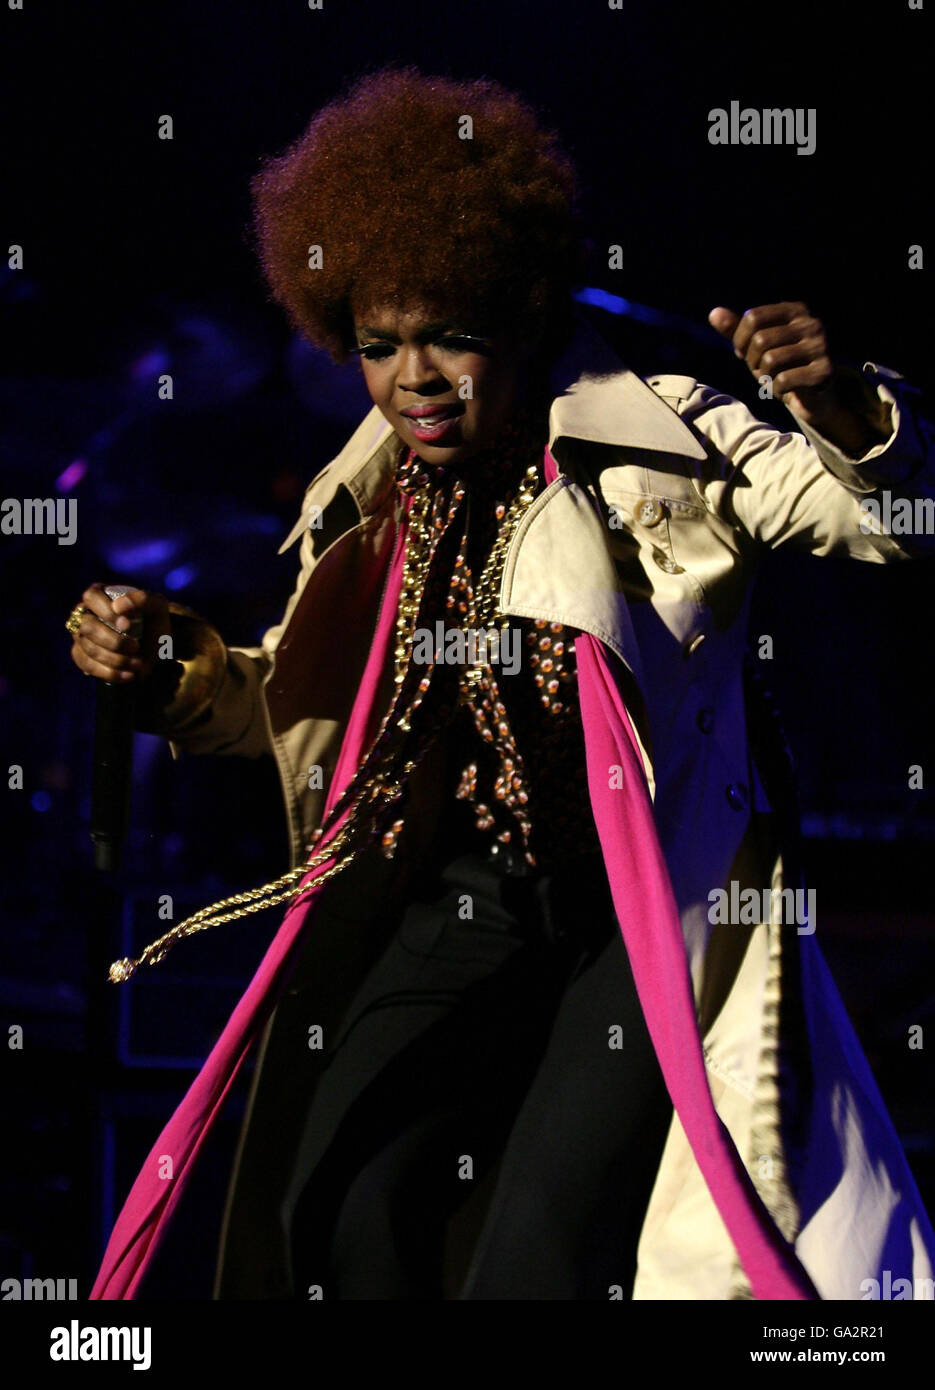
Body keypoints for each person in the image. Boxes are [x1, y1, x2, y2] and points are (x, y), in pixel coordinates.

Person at [68, 66, 935, 1301]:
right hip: (450, 900)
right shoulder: (369, 488)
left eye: (449, 334)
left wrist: (844, 409)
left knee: (530, 1258)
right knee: (332, 1215)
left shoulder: (670, 441)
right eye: (378, 345)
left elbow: (900, 521)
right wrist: (171, 667)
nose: (412, 375)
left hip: (632, 925)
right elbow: (305, 716)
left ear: (523, 317)